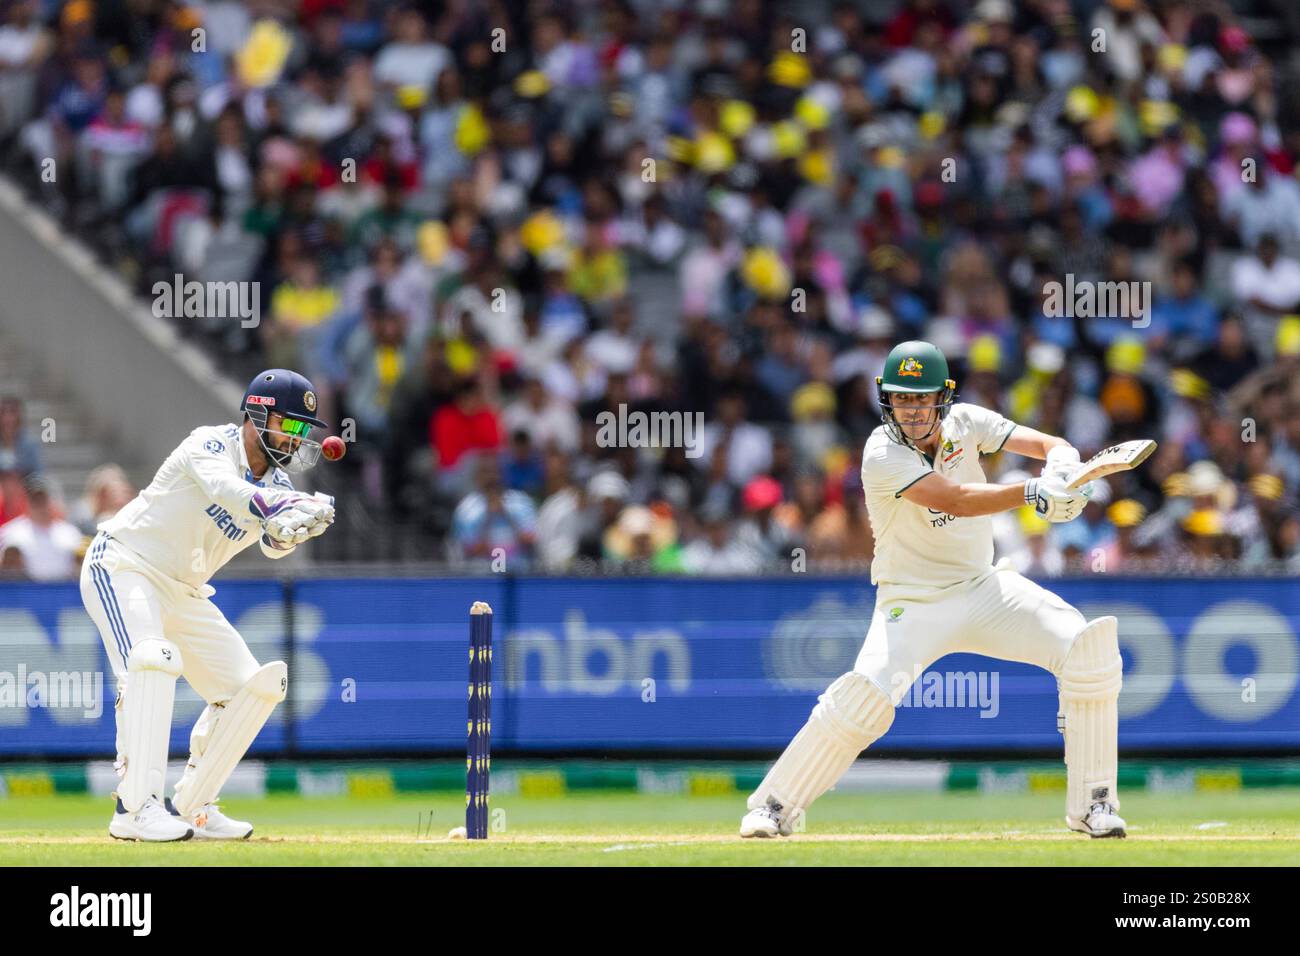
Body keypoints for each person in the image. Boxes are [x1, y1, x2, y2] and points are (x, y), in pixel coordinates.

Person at [739, 341, 1127, 840]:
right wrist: (1034, 492)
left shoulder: (966, 422)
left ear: (943, 397)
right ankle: (774, 805)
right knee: (865, 699)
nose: (913, 410)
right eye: (902, 398)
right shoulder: (882, 452)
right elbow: (957, 499)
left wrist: (1063, 466)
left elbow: (1049, 443)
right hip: (912, 602)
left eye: (922, 398)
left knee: (1087, 648)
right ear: (886, 400)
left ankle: (1094, 805)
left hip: (983, 587)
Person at [80, 369, 336, 842]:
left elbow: (274, 544)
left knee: (254, 686)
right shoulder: (211, 444)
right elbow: (227, 491)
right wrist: (281, 507)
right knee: (151, 660)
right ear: (258, 414)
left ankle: (194, 806)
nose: (297, 438)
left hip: (184, 589)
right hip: (125, 564)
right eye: (290, 425)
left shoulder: (276, 484)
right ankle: (135, 808)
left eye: (304, 430)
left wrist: (301, 524)